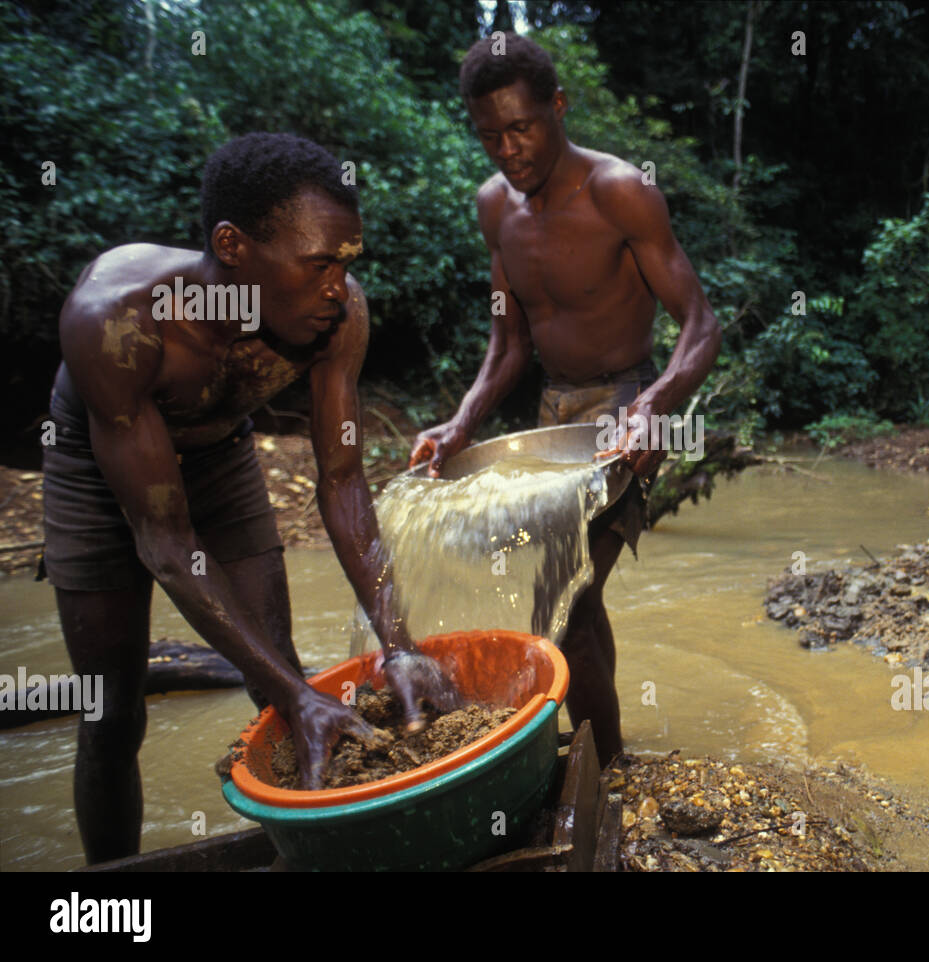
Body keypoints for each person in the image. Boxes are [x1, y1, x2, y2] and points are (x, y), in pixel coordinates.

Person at [41, 132, 454, 863]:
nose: (339, 285)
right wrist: (295, 692)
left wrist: (399, 642)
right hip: (98, 479)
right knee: (111, 713)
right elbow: (166, 542)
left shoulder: (337, 317)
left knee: (283, 678)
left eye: (348, 263)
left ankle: (322, 850)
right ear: (233, 246)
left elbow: (342, 478)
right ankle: (111, 884)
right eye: (319, 263)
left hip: (220, 458)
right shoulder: (117, 322)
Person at [409, 34, 721, 766]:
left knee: (568, 602)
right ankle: (601, 752)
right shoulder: (495, 209)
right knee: (574, 603)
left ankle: (600, 773)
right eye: (490, 135)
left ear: (559, 105)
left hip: (628, 404)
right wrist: (460, 424)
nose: (509, 150)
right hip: (552, 414)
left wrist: (656, 406)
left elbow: (702, 325)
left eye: (523, 128)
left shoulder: (619, 191)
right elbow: (508, 347)